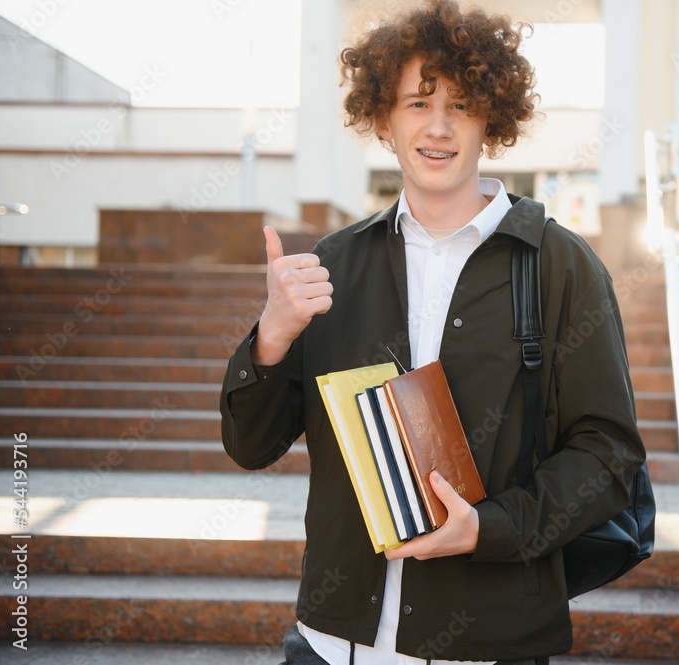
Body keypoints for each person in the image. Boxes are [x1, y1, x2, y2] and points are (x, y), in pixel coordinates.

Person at [219, 2, 646, 663]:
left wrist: (488, 527)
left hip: (489, 644)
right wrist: (270, 338)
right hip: (336, 644)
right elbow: (250, 446)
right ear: (384, 121)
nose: (438, 127)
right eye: (417, 104)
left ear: (491, 122)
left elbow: (608, 458)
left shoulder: (562, 266)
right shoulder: (333, 265)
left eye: (462, 105)